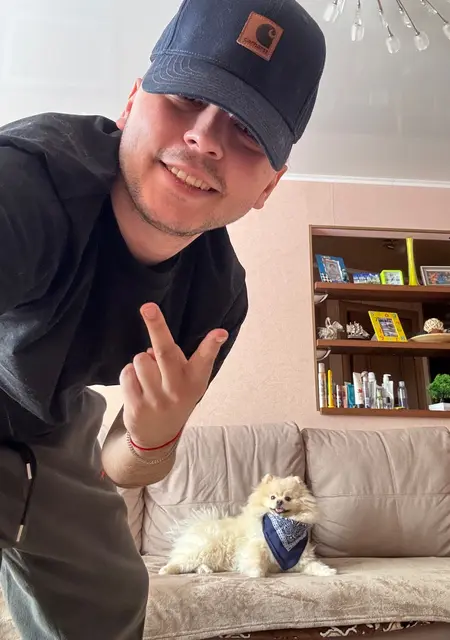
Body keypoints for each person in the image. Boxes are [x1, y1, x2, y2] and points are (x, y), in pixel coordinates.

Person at [0, 0, 325, 637]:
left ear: (269, 186)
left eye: (248, 130)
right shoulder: (27, 187)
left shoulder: (216, 302)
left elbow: (122, 465)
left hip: (54, 418)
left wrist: (154, 437)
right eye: (185, 97)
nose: (204, 138)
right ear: (131, 103)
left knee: (113, 602)